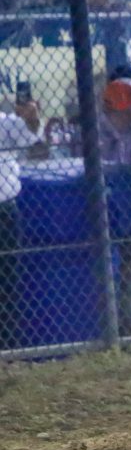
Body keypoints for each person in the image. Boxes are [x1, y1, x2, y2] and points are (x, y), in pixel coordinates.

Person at [0, 97, 43, 349]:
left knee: (7, 283)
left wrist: (32, 117)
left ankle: (7, 349)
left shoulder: (4, 123)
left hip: (3, 210)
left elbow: (30, 134)